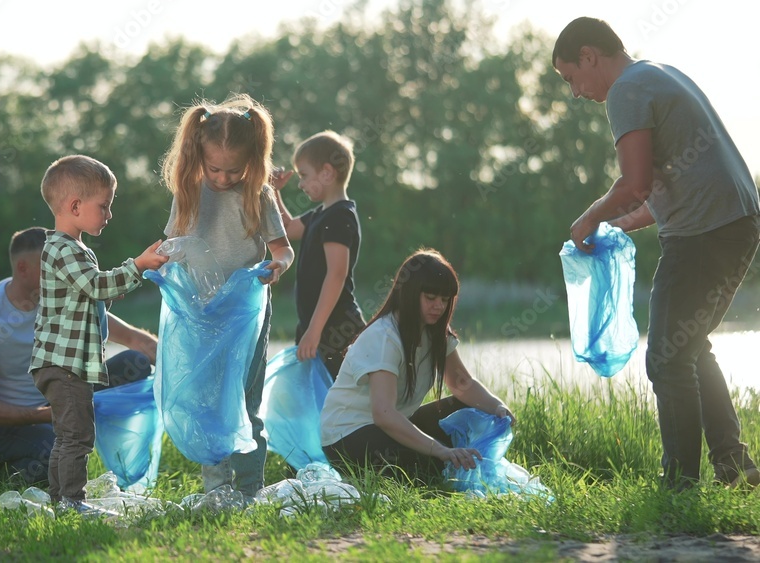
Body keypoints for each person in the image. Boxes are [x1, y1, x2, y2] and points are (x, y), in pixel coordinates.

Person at [552, 17, 760, 489]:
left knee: (667, 357)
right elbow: (663, 188)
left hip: (705, 233)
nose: (576, 93)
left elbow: (635, 183)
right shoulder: (658, 73)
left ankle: (679, 486)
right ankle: (734, 464)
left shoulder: (627, 90)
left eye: (571, 79)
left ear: (589, 56)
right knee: (689, 347)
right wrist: (621, 223)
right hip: (735, 222)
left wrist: (590, 218)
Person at [161, 93, 294, 497]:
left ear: (252, 161)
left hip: (247, 313)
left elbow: (283, 248)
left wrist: (280, 266)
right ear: (198, 157)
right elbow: (171, 246)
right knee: (206, 398)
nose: (221, 178)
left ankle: (251, 489)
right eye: (213, 168)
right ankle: (217, 489)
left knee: (246, 396)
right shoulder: (188, 192)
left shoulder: (258, 194)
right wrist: (155, 266)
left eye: (232, 170)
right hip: (202, 312)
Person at [0, 226, 161, 486]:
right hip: (10, 428)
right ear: (23, 269)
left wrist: (181, 370)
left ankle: (116, 451)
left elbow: (133, 339)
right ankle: (9, 474)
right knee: (57, 452)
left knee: (136, 362)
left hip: (66, 397)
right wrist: (47, 414)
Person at [29, 155, 168, 513]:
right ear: (75, 206)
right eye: (103, 207)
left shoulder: (72, 248)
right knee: (77, 436)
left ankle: (61, 500)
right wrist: (136, 266)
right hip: (64, 364)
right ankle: (72, 501)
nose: (109, 215)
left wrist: (111, 288)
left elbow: (89, 292)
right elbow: (94, 283)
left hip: (63, 363)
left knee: (68, 435)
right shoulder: (62, 249)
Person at [320, 250, 514, 482]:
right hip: (348, 436)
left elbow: (463, 384)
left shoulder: (437, 335)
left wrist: (497, 407)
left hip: (392, 425)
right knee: (433, 470)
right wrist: (440, 450)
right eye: (431, 298)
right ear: (410, 295)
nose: (439, 306)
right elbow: (383, 414)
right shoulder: (384, 337)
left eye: (444, 300)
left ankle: (465, 461)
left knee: (474, 408)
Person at [271, 130, 365, 378]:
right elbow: (288, 228)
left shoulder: (339, 216)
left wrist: (315, 330)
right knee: (317, 404)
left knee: (341, 402)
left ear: (326, 172)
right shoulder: (320, 214)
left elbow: (336, 275)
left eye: (304, 175)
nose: (300, 183)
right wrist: (274, 192)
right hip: (317, 327)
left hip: (336, 329)